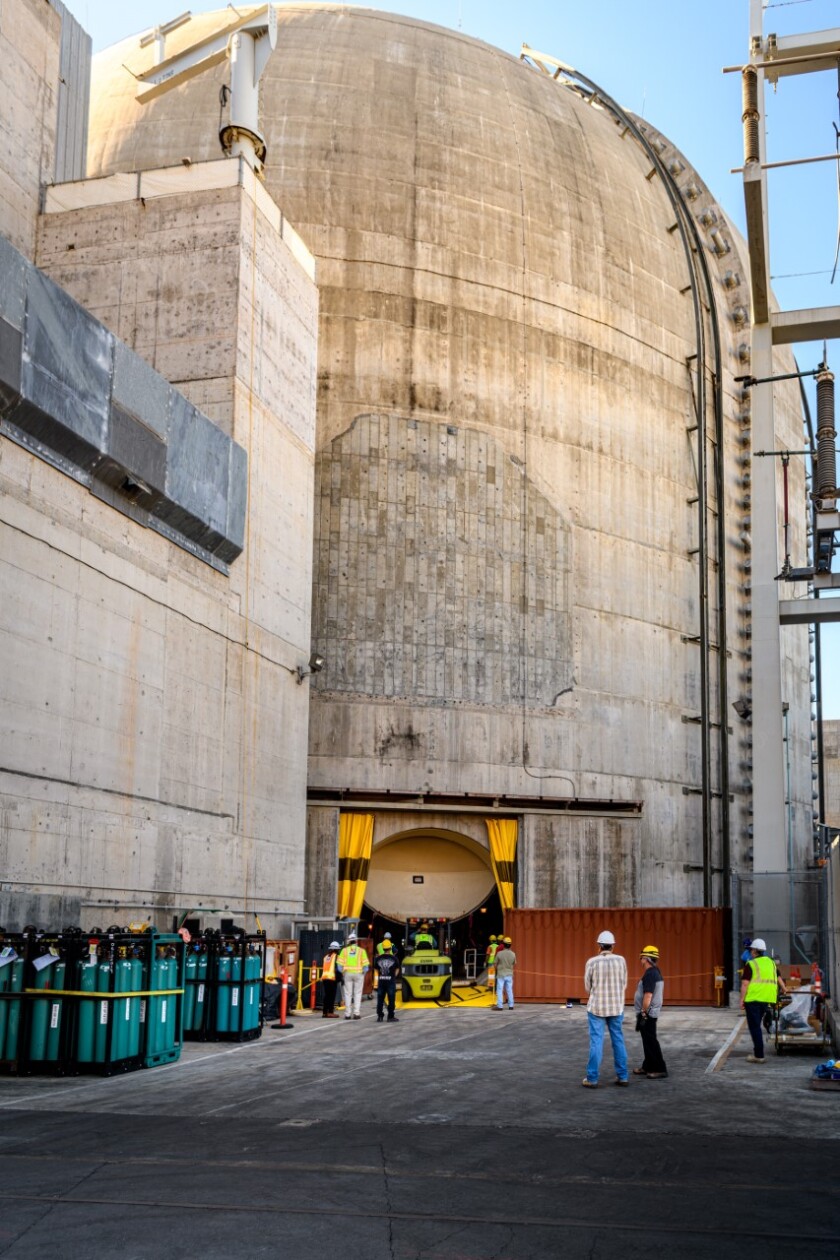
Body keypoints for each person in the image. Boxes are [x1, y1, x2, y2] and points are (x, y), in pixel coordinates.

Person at [582, 929, 628, 1088]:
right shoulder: (621, 960)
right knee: (618, 1040)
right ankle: (623, 1076)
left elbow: (587, 988)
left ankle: (592, 1078)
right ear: (612, 947)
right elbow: (624, 984)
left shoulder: (592, 962)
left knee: (596, 1042)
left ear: (599, 946)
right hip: (616, 1007)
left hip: (597, 1008)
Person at [740, 937, 786, 1062]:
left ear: (755, 951)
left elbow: (745, 984)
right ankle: (758, 1053)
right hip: (767, 1000)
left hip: (753, 999)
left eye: (751, 950)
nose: (750, 952)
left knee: (754, 1027)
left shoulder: (751, 964)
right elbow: (779, 977)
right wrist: (784, 989)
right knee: (758, 1026)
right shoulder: (771, 963)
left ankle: (759, 1055)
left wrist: (741, 1000)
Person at [632, 945, 667, 1078]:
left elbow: (648, 996)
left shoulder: (651, 974)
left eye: (642, 956)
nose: (640, 958)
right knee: (647, 1040)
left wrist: (643, 1013)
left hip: (648, 1013)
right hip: (649, 1012)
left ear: (646, 958)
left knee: (651, 1040)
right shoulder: (654, 972)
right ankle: (647, 1066)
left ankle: (660, 1069)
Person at [336, 932, 369, 1020]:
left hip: (347, 974)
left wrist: (343, 973)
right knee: (357, 993)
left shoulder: (344, 951)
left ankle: (347, 1014)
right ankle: (356, 1014)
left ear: (349, 942)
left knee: (348, 994)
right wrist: (363, 974)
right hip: (359, 974)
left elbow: (339, 965)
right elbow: (366, 967)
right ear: (356, 941)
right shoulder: (361, 951)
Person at [373, 939, 401, 1022]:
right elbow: (397, 969)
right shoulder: (394, 958)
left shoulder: (378, 959)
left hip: (381, 981)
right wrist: (393, 976)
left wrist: (382, 975)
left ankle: (380, 1016)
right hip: (390, 981)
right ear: (390, 948)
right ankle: (390, 1016)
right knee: (391, 999)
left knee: (380, 999)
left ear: (383, 948)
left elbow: (377, 970)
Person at [493, 936, 516, 1010]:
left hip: (501, 974)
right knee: (509, 989)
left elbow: (495, 964)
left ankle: (500, 1006)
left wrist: (497, 969)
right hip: (509, 974)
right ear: (510, 945)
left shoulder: (499, 953)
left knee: (499, 990)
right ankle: (511, 1006)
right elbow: (514, 963)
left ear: (503, 944)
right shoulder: (513, 954)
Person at [321, 940, 341, 1018]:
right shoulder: (336, 957)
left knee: (327, 996)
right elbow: (338, 969)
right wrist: (340, 979)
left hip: (325, 978)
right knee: (331, 996)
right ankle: (330, 1012)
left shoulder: (326, 957)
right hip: (332, 978)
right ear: (336, 949)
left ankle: (324, 1012)